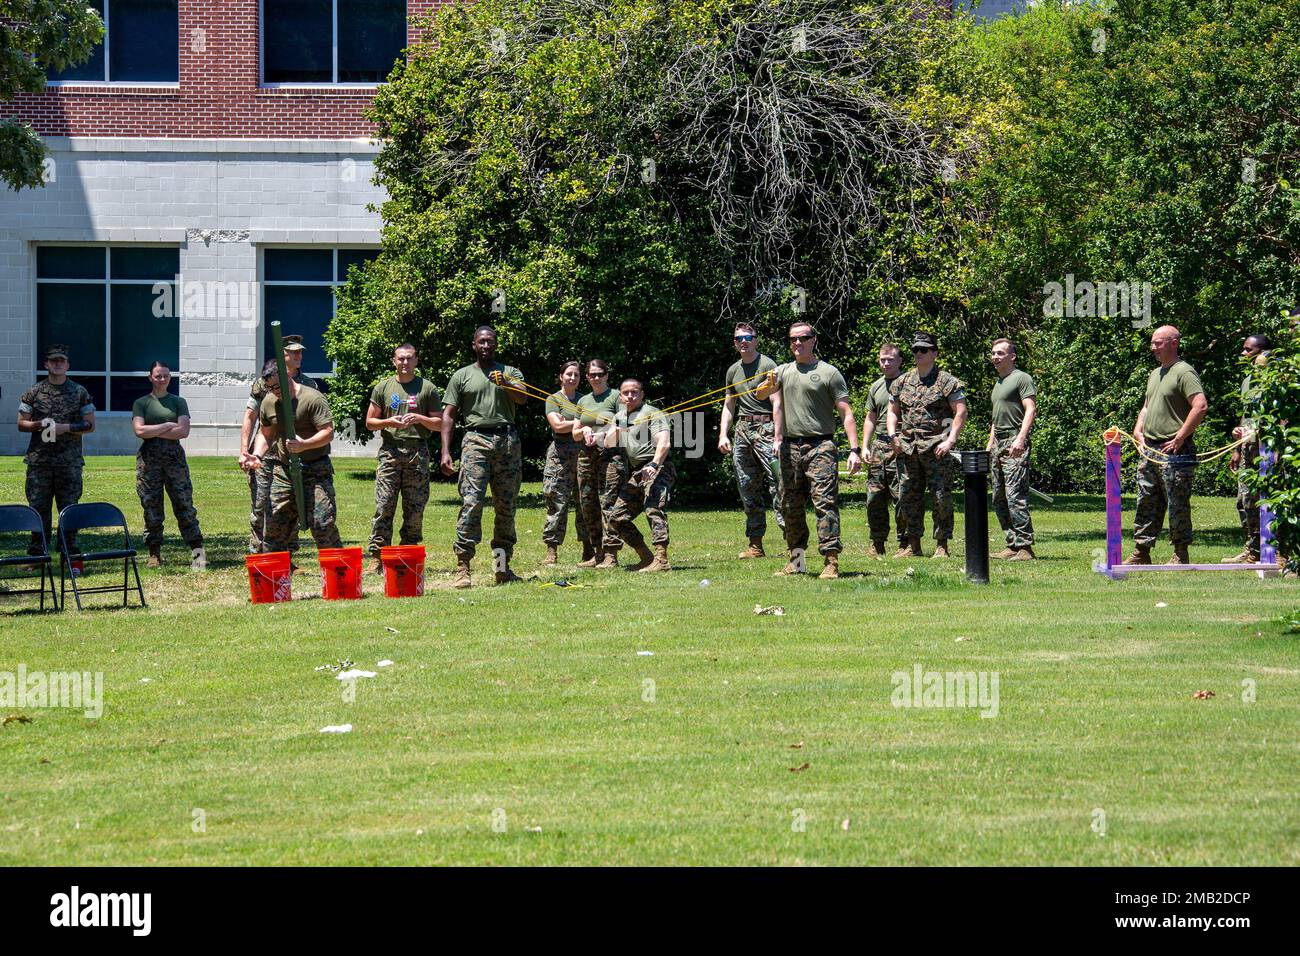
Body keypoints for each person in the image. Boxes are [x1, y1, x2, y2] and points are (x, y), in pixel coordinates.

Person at [755, 321, 861, 580]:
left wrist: (854, 449)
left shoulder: (829, 373)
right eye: (793, 339)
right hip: (790, 447)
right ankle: (797, 561)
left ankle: (831, 561)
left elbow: (846, 412)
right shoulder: (782, 371)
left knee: (824, 502)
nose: (797, 343)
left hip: (820, 445)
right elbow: (759, 395)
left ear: (814, 340)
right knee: (789, 505)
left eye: (803, 338)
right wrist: (766, 384)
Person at [440, 325, 528, 588]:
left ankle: (502, 568)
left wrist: (508, 383)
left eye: (490, 341)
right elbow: (449, 414)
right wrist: (445, 450)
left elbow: (523, 399)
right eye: (482, 342)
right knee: (471, 502)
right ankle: (463, 567)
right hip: (475, 440)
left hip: (507, 442)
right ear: (474, 345)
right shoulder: (462, 375)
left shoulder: (510, 372)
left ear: (496, 344)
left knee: (506, 507)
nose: (486, 346)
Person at [1125, 325, 1208, 565]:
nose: (1153, 347)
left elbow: (1200, 406)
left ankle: (1180, 553)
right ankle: (1142, 552)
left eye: (1158, 343)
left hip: (1174, 450)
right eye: (1152, 343)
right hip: (1150, 449)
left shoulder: (1184, 372)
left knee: (1177, 504)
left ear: (1174, 343)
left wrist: (1181, 436)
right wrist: (1138, 430)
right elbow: (1147, 406)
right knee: (1146, 500)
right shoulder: (1155, 373)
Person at [887, 332, 968, 559]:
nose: (919, 354)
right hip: (908, 449)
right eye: (915, 350)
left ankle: (942, 544)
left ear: (934, 353)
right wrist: (894, 436)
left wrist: (950, 440)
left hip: (936, 449)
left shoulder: (946, 381)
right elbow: (892, 413)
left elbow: (960, 412)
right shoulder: (901, 382)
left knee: (941, 497)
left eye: (924, 349)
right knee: (908, 498)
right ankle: (913, 545)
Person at [365, 343, 443, 575]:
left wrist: (420, 418)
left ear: (416, 361)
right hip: (390, 452)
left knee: (415, 507)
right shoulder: (383, 387)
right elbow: (370, 423)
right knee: (384, 505)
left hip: (417, 453)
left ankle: (408, 552)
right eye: (400, 359)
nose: (405, 363)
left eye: (409, 358)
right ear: (394, 361)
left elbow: (440, 424)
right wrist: (389, 422)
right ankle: (378, 556)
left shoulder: (426, 388)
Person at [251, 359, 341, 555]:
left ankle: (336, 573)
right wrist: (257, 455)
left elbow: (328, 432)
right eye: (269, 387)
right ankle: (276, 577)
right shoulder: (269, 402)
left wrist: (304, 445)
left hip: (315, 468)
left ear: (287, 376)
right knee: (274, 524)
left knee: (322, 522)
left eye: (277, 385)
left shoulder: (312, 398)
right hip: (284, 470)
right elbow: (266, 433)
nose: (274, 390)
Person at [16, 344, 95, 557]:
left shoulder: (79, 392)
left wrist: (66, 428)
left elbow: (90, 424)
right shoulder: (34, 392)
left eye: (61, 361)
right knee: (38, 508)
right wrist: (38, 425)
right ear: (46, 364)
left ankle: (68, 552)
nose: (58, 364)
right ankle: (37, 554)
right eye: (53, 361)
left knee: (68, 508)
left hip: (69, 462)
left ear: (67, 365)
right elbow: (21, 424)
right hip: (39, 462)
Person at [240, 335, 316, 554]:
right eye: (294, 352)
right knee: (261, 503)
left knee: (289, 504)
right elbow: (250, 416)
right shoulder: (264, 382)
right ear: (283, 355)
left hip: (292, 454)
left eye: (300, 352)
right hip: (264, 454)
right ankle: (257, 553)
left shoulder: (308, 384)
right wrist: (245, 450)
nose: (299, 355)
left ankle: (288, 556)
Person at [131, 361, 205, 569]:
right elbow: (139, 431)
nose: (161, 379)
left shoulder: (178, 402)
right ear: (150, 378)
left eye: (165, 375)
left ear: (169, 378)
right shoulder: (142, 403)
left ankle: (198, 552)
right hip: (149, 462)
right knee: (151, 506)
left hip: (175, 461)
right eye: (158, 376)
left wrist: (152, 429)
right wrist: (166, 425)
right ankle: (154, 553)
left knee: (184, 505)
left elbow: (183, 431)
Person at [718, 323, 783, 558]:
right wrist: (723, 434)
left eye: (747, 337)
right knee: (747, 486)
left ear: (756, 340)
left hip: (766, 427)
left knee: (779, 484)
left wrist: (778, 435)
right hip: (743, 428)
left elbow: (777, 402)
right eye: (738, 339)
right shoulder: (733, 370)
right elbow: (729, 404)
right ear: (734, 343)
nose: (743, 342)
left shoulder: (768, 365)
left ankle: (792, 541)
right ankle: (755, 545)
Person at [606, 378, 674, 572]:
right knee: (617, 517)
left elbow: (664, 442)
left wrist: (654, 464)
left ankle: (661, 560)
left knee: (653, 508)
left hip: (658, 467)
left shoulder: (652, 412)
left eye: (634, 392)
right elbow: (610, 443)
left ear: (642, 394)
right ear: (620, 396)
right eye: (626, 392)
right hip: (637, 472)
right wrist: (616, 429)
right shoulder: (620, 416)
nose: (630, 396)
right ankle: (646, 557)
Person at [986, 338, 1037, 560]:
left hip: (1014, 442)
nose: (995, 357)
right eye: (993, 353)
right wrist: (990, 442)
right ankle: (1012, 544)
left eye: (1000, 353)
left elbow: (1030, 409)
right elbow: (996, 418)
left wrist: (1021, 438)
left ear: (1012, 356)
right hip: (999, 444)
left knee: (1015, 494)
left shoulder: (1022, 378)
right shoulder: (998, 383)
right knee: (998, 496)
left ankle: (1025, 547)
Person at [573, 359, 626, 569]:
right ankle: (598, 552)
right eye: (592, 374)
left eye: (600, 374)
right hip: (586, 456)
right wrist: (584, 431)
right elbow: (575, 433)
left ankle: (611, 553)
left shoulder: (616, 397)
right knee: (588, 504)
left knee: (609, 503)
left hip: (611, 454)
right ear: (587, 377)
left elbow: (621, 425)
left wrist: (600, 434)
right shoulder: (583, 401)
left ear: (607, 375)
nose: (596, 378)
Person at [1224, 334, 1270, 564]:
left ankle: (1274, 550)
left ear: (1263, 353)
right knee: (1244, 501)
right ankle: (1253, 550)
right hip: (1248, 449)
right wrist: (1237, 445)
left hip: (1267, 450)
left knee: (1264, 500)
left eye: (1248, 350)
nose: (1243, 354)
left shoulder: (1273, 378)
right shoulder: (1248, 379)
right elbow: (1248, 413)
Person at [541, 361, 592, 565]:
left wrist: (571, 422)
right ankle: (551, 551)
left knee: (585, 502)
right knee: (557, 502)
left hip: (582, 455)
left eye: (577, 375)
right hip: (560, 457)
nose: (572, 378)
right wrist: (580, 422)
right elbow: (558, 426)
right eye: (569, 374)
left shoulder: (585, 400)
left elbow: (596, 421)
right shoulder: (553, 399)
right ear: (561, 376)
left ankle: (588, 550)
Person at [860, 342, 907, 559]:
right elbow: (870, 418)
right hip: (879, 446)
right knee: (875, 497)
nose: (886, 363)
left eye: (890, 359)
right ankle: (877, 542)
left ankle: (904, 542)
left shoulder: (909, 383)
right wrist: (864, 446)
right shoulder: (876, 386)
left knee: (902, 496)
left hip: (901, 446)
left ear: (900, 361)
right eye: (882, 359)